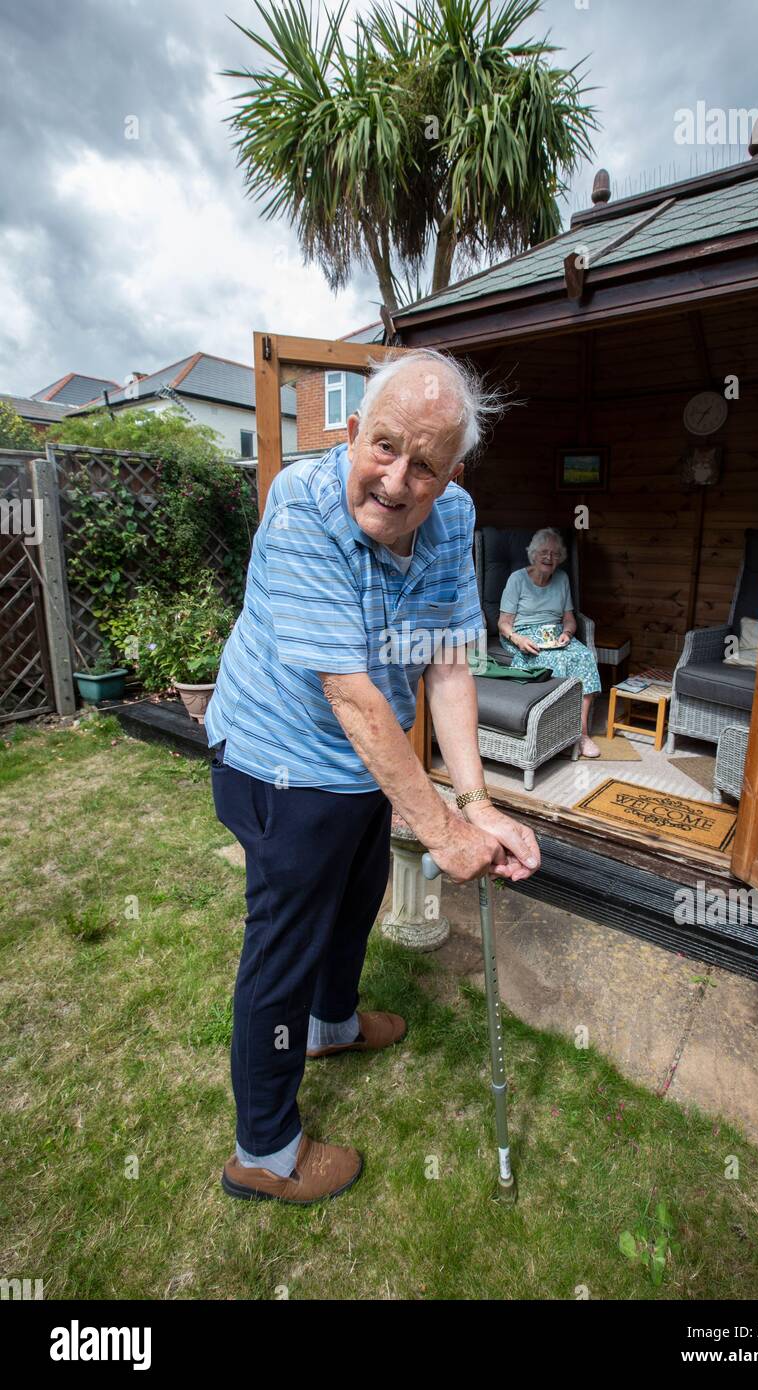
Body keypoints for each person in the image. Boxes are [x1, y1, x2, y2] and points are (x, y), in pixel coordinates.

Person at [204, 347, 541, 1206]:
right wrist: (443, 835)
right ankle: (265, 1152)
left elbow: (449, 665)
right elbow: (351, 698)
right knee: (283, 943)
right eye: (383, 447)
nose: (395, 480)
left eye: (423, 464)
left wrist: (477, 803)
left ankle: (331, 1025)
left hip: (363, 764)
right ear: (353, 432)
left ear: (450, 472)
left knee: (357, 895)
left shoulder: (455, 517)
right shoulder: (298, 508)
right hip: (280, 758)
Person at [497, 527, 602, 758]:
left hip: (554, 634)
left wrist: (567, 632)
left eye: (555, 554)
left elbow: (569, 618)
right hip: (522, 634)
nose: (549, 558)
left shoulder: (562, 578)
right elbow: (503, 623)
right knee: (556, 658)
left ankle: (581, 734)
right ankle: (553, 730)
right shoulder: (517, 579)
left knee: (584, 656)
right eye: (544, 552)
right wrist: (518, 639)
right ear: (533, 555)